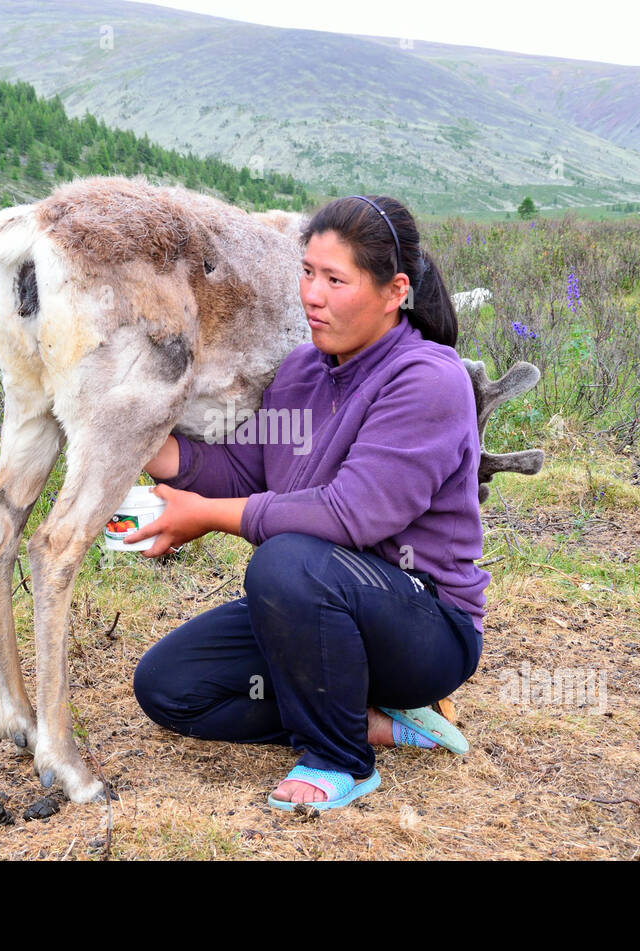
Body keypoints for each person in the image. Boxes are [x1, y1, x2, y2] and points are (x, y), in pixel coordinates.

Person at [124, 193, 489, 811]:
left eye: (335, 280)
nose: (312, 295)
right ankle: (368, 719)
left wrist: (207, 518)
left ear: (394, 290)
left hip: (423, 627)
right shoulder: (301, 371)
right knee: (170, 688)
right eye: (307, 273)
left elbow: (352, 514)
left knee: (285, 560)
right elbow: (244, 467)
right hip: (317, 609)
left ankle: (340, 758)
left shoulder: (428, 379)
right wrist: (141, 438)